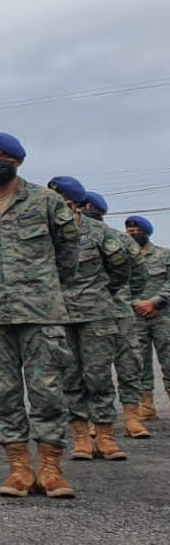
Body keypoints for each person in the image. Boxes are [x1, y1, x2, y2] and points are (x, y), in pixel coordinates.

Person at [0, 133, 78, 498]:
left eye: (1, 156)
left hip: (40, 313)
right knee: (1, 394)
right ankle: (19, 468)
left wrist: (46, 288)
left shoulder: (46, 202)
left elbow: (67, 255)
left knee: (48, 391)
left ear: (18, 161)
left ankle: (51, 468)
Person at [47, 178, 133, 461]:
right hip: (59, 315)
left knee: (98, 376)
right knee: (69, 378)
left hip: (96, 314)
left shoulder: (99, 233)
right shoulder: (43, 235)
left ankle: (105, 436)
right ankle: (81, 437)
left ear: (78, 205)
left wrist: (98, 292)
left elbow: (120, 270)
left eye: (67, 204)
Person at [84, 193, 152, 439]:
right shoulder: (73, 239)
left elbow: (139, 273)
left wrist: (119, 294)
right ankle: (96, 419)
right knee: (94, 368)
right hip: (89, 314)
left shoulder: (119, 239)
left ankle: (131, 416)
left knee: (129, 363)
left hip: (119, 312)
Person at [127, 216, 170, 421]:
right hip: (136, 317)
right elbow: (119, 283)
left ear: (146, 232)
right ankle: (146, 405)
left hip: (163, 316)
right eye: (129, 232)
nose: (133, 234)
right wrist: (137, 303)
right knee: (139, 363)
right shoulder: (125, 259)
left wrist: (155, 302)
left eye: (136, 231)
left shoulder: (164, 255)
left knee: (168, 360)